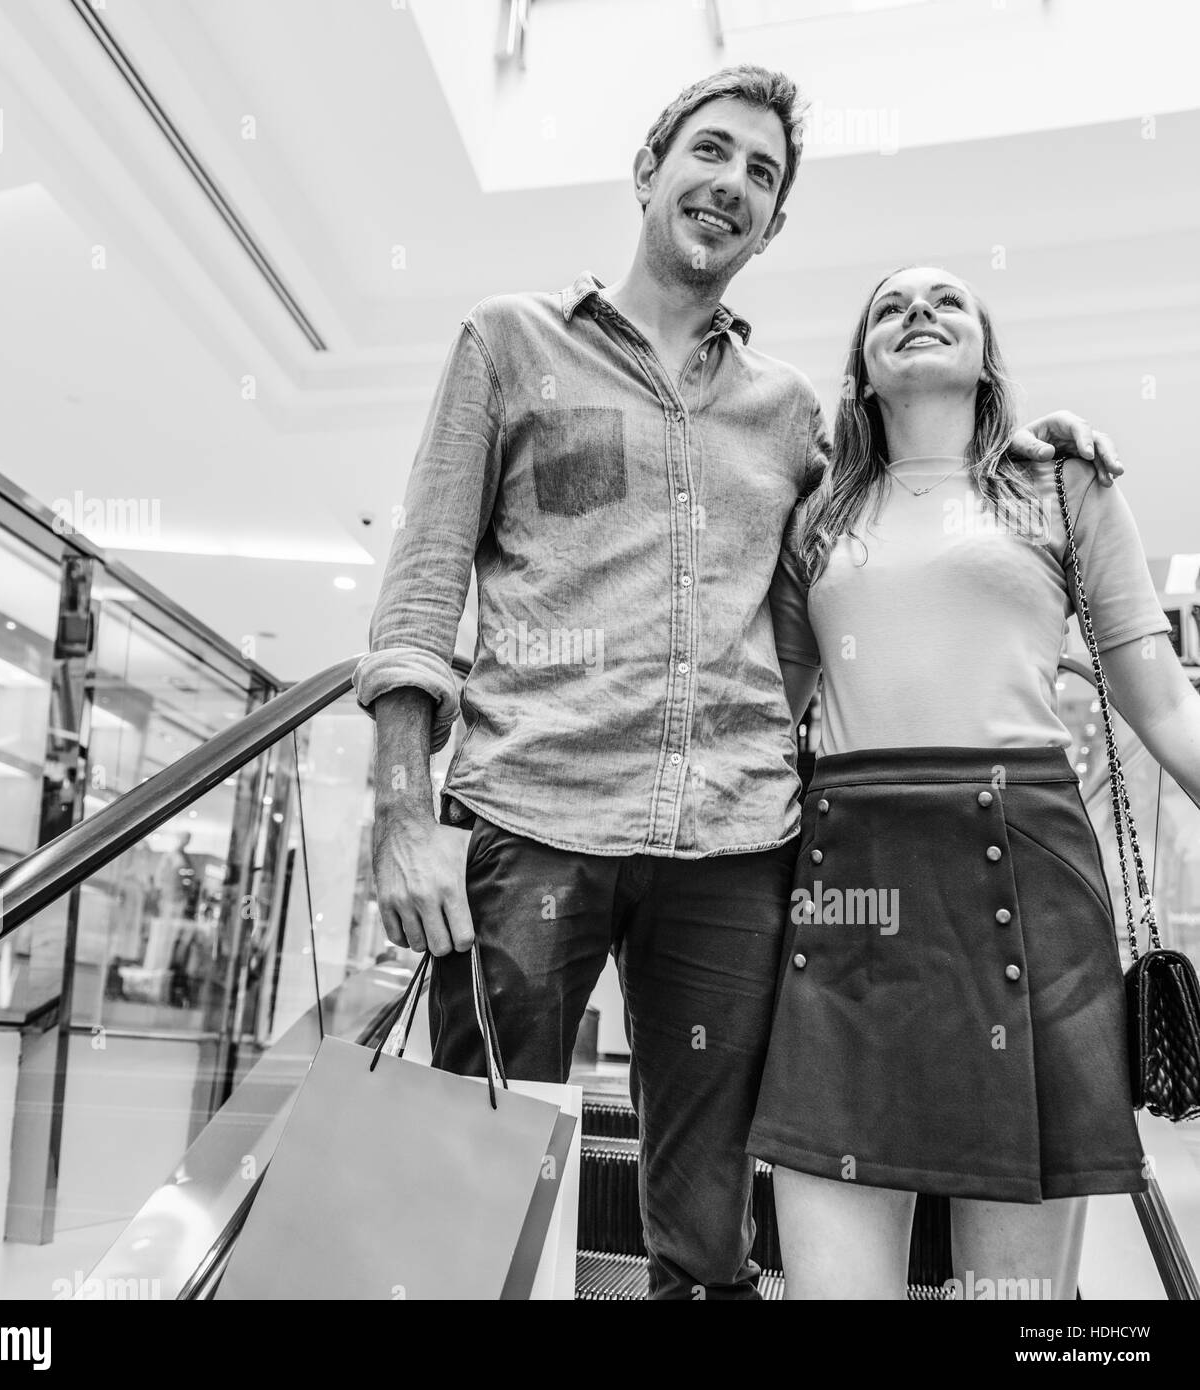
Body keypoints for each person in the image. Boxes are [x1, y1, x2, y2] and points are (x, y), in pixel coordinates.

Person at [354, 66, 1118, 1300]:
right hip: (528, 819)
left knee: (709, 1237)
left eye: (762, 176)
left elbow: (888, 525)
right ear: (649, 168)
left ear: (773, 224)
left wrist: (1024, 448)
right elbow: (421, 587)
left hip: (734, 847)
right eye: (711, 153)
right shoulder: (508, 343)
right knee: (477, 1201)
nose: (732, 184)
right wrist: (400, 811)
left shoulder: (788, 415)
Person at [749, 263, 1200, 1300]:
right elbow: (770, 712)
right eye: (888, 306)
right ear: (860, 369)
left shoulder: (1061, 482)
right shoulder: (812, 511)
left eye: (946, 300)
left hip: (1028, 886)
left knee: (1017, 1308)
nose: (917, 311)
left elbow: (1162, 699)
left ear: (986, 355)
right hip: (847, 890)